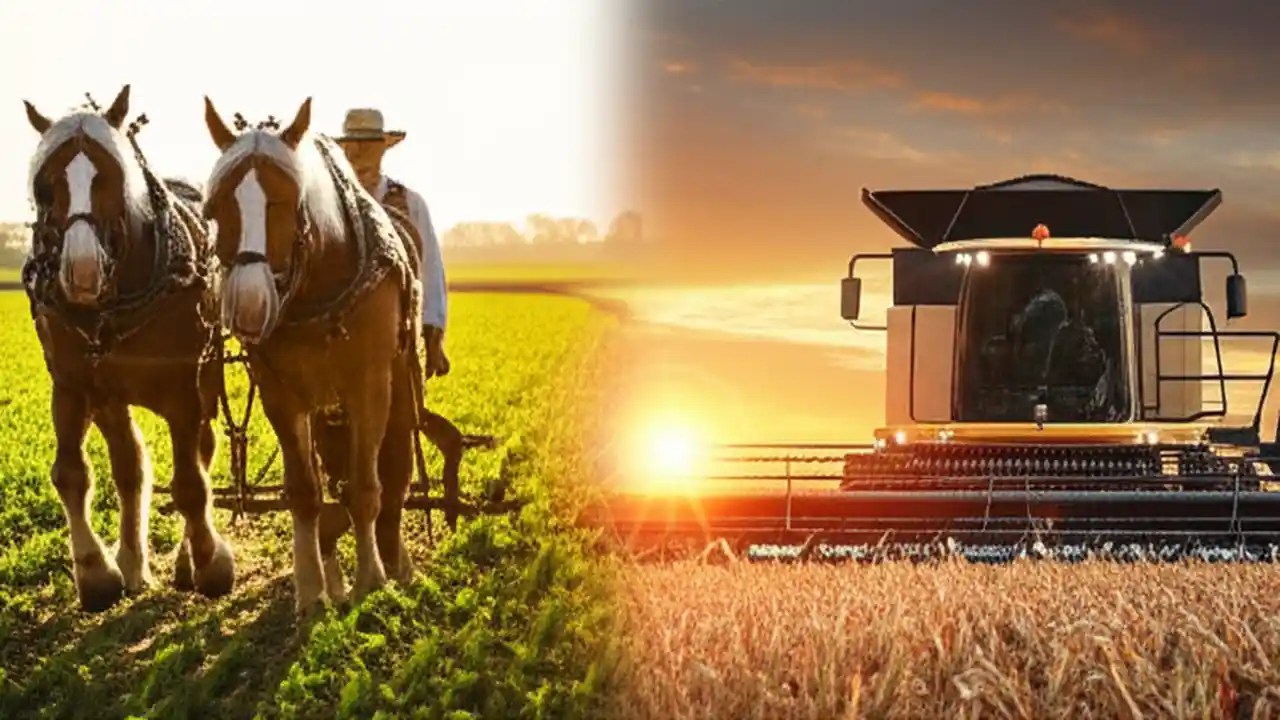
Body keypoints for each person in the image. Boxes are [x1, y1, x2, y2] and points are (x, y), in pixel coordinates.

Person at [335, 108, 449, 376]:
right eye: (354, 148)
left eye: (369, 147)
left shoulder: (410, 203)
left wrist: (433, 335)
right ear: (345, 152)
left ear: (383, 150)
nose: (360, 155)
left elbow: (430, 268)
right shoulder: (329, 207)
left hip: (397, 341)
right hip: (337, 343)